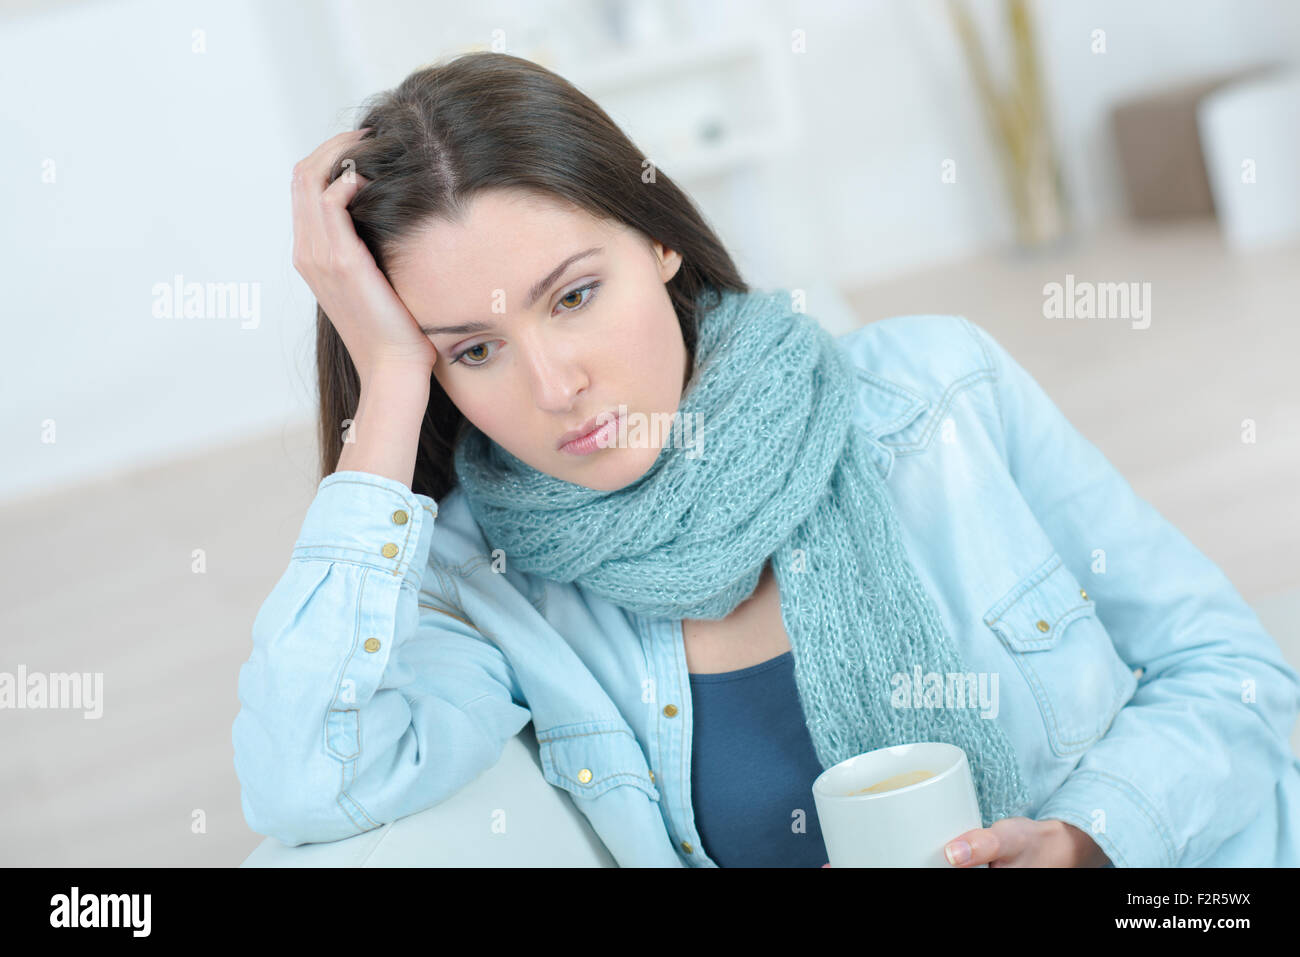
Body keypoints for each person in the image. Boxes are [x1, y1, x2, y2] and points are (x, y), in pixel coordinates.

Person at [232, 51, 1300, 868]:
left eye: (574, 295)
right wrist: (382, 390)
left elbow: (1242, 679)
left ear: (659, 243)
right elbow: (304, 783)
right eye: (471, 348)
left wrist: (1085, 836)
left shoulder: (934, 396)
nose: (555, 385)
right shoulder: (485, 584)